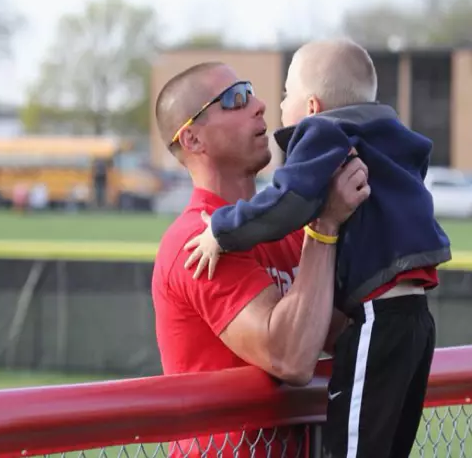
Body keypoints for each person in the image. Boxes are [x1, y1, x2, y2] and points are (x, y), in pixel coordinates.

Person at [183, 39, 452, 458]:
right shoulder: (389, 135)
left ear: (311, 106)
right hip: (417, 317)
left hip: (377, 316)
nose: (268, 105)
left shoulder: (322, 131)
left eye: (285, 94)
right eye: (238, 99)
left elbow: (288, 201)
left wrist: (221, 231)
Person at [152, 60, 370, 458]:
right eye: (235, 100)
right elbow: (289, 356)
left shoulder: (289, 229)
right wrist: (325, 225)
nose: (260, 105)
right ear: (193, 140)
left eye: (251, 92)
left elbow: (342, 334)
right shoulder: (196, 240)